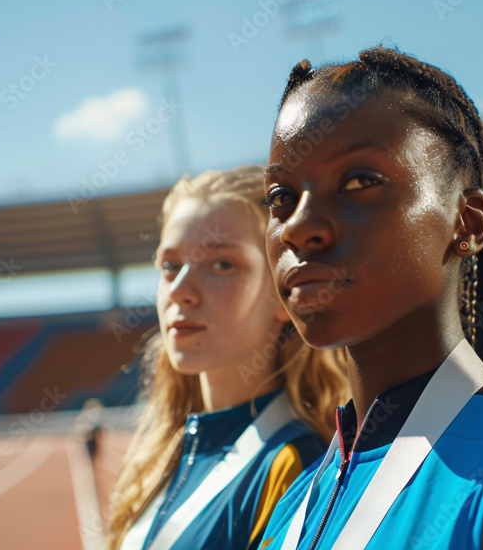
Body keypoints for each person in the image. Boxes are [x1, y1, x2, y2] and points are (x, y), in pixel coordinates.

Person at [257, 46, 483, 550]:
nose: (300, 225)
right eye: (280, 197)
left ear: (467, 223)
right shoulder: (289, 509)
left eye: (359, 182)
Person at [104, 167, 350, 550]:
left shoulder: (290, 466)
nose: (181, 290)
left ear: (283, 293)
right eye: (170, 266)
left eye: (222, 265)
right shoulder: (167, 451)